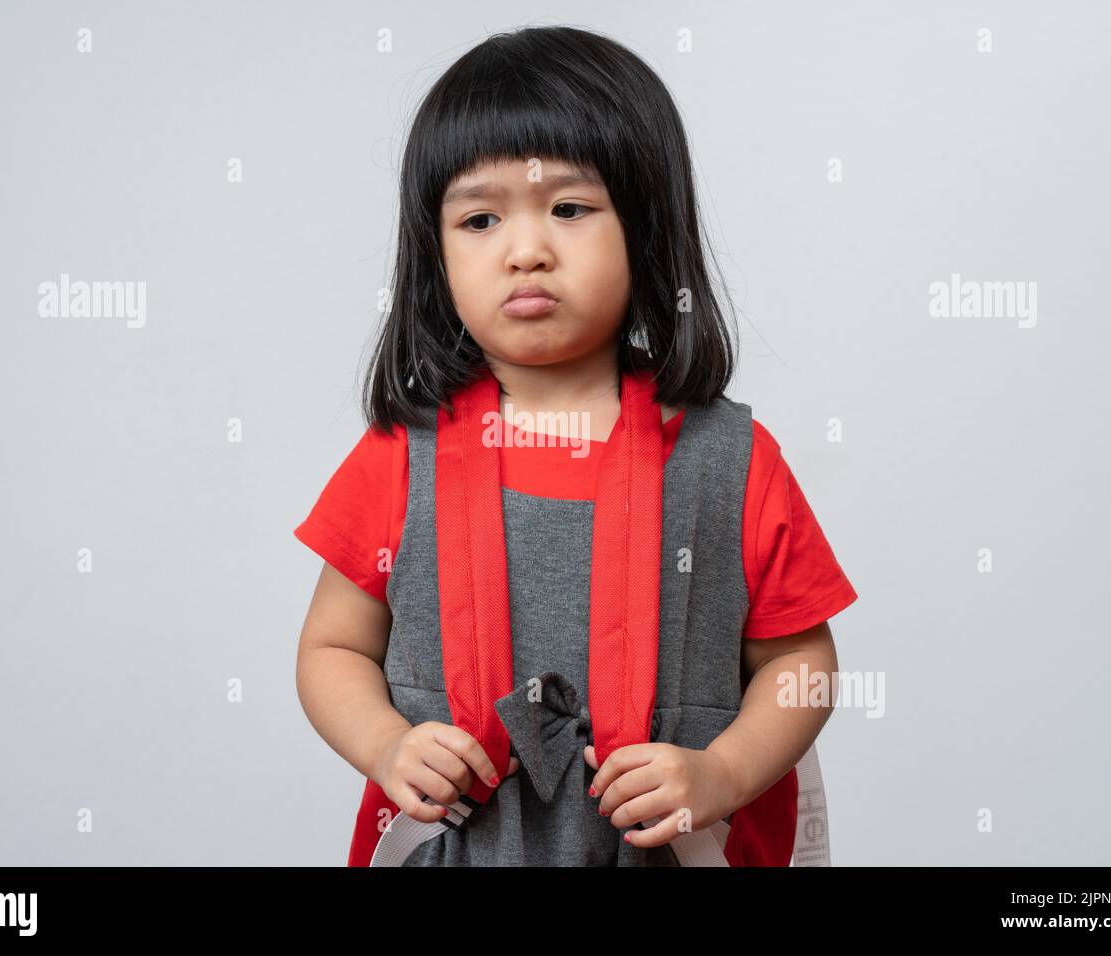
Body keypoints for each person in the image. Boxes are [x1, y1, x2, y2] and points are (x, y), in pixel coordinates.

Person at [292, 25, 858, 866]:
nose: (526, 250)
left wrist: (724, 774)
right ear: (434, 253)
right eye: (480, 218)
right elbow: (332, 647)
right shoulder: (397, 459)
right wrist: (385, 744)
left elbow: (800, 664)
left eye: (570, 208)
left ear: (647, 227)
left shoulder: (728, 462)